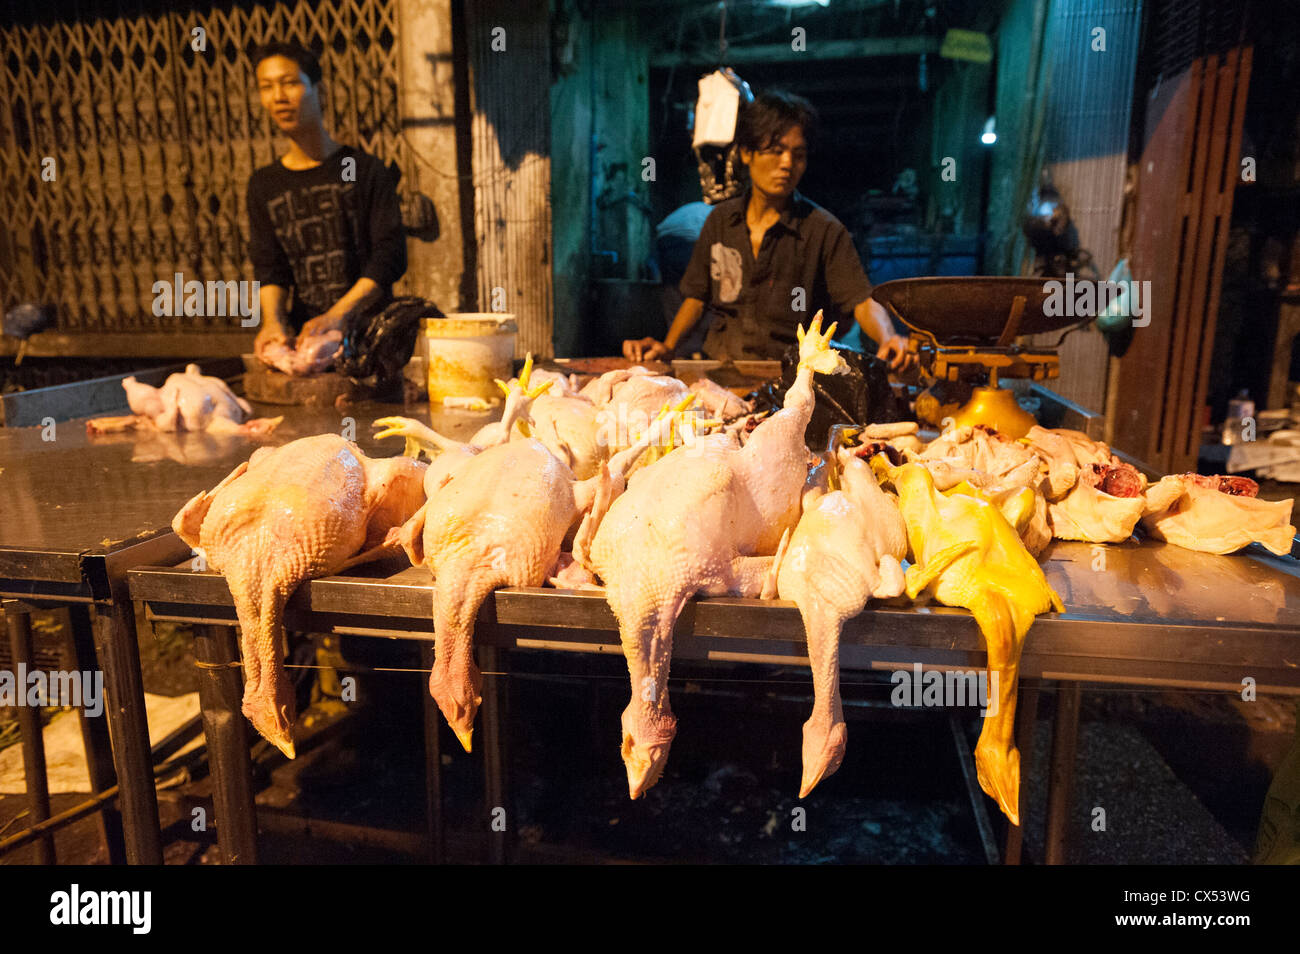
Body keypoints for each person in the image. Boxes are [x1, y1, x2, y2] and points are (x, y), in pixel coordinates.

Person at [624, 92, 911, 369]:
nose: (787, 164)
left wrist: (888, 337)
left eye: (797, 154)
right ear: (747, 153)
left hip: (793, 379)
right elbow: (696, 297)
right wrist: (668, 346)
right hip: (722, 371)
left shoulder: (823, 230)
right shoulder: (720, 222)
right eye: (776, 151)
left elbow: (860, 299)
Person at [247, 42, 406, 364]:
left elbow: (390, 257)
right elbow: (270, 267)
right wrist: (273, 322)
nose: (278, 96)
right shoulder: (264, 184)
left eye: (290, 83)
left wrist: (338, 315)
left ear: (318, 89)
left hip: (371, 341)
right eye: (267, 87)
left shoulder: (366, 170)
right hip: (306, 343)